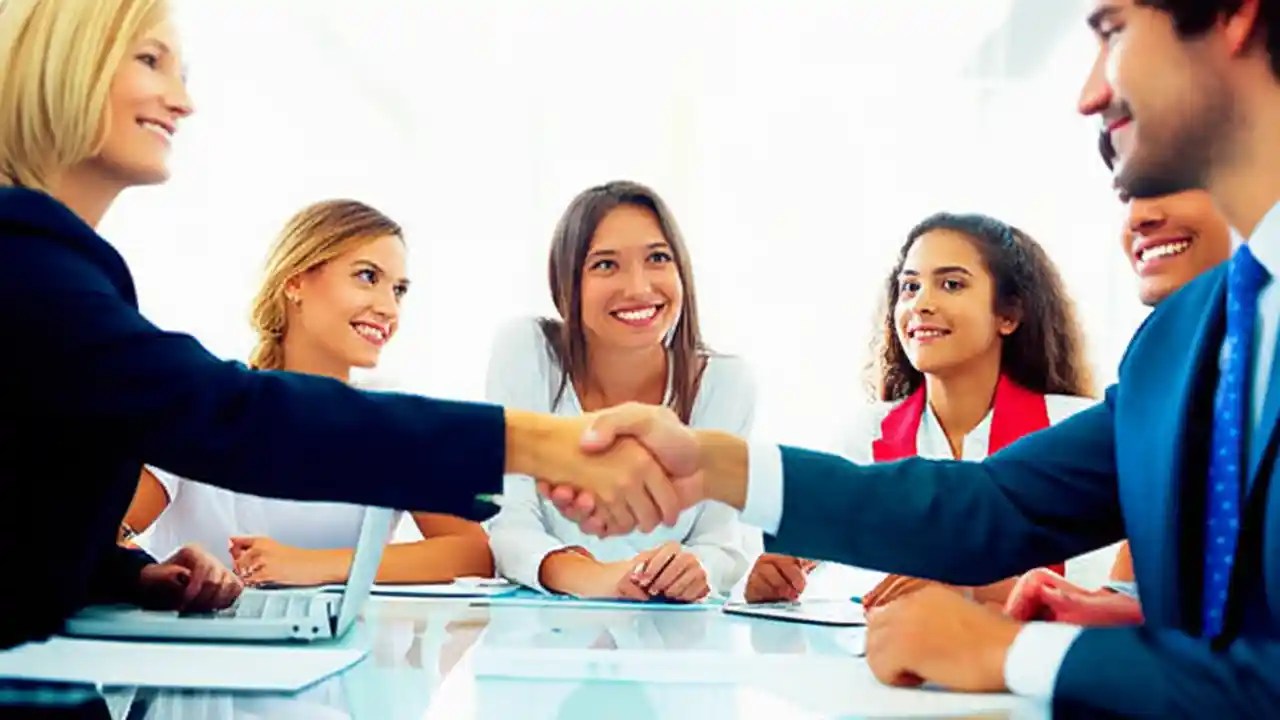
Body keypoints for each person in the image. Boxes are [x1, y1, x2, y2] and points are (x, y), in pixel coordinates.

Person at [549, 1, 1280, 714]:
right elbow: (988, 504)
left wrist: (1006, 654)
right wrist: (712, 467)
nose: (1090, 94)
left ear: (1233, 16)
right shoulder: (1183, 339)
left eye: (1114, 31)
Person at [0, 0, 676, 649]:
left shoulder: (51, 266)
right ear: (64, 64)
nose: (183, 101)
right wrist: (538, 442)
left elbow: (33, 522)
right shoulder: (29, 265)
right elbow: (239, 418)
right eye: (151, 61)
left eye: (400, 287)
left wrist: (129, 575)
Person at [121, 199, 493, 586]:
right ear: (295, 282)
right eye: (367, 276)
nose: (388, 308)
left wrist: (314, 565)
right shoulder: (204, 402)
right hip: (197, 642)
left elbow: (472, 552)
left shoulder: (393, 420)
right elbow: (101, 533)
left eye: (398, 290)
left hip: (342, 646)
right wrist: (150, 572)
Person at [745, 213, 1097, 606]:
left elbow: (1105, 588)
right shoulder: (866, 436)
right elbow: (834, 585)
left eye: (951, 284)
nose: (921, 303)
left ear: (1009, 315)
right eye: (909, 287)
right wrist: (773, 583)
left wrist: (965, 587)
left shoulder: (1073, 428)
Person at [486, 181, 757, 602]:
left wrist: (694, 569)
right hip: (543, 627)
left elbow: (722, 542)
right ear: (566, 283)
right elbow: (509, 525)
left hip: (671, 630)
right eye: (606, 265)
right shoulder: (527, 351)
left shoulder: (725, 382)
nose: (638, 287)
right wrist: (599, 578)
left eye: (657, 259)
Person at [1006, 144, 1235, 627]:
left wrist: (1006, 657)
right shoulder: (1166, 359)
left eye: (1176, 181)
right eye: (1129, 196)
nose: (1140, 218)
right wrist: (1115, 606)